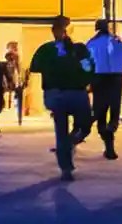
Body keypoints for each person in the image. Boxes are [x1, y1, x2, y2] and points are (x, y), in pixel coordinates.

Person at [29, 16, 94, 182]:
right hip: (70, 92)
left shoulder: (51, 49)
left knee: (66, 129)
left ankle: (67, 156)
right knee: (74, 126)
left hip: (61, 92)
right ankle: (66, 159)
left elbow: (35, 67)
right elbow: (89, 67)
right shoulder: (71, 49)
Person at [86, 19, 122, 160]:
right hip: (116, 78)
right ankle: (110, 139)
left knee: (99, 112)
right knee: (114, 108)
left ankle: (80, 134)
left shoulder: (91, 43)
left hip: (98, 78)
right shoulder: (118, 42)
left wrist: (88, 77)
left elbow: (86, 62)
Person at [3, 41, 27, 124]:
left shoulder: (18, 60)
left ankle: (18, 111)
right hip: (11, 79)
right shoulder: (9, 58)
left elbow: (19, 71)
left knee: (18, 92)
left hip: (16, 80)